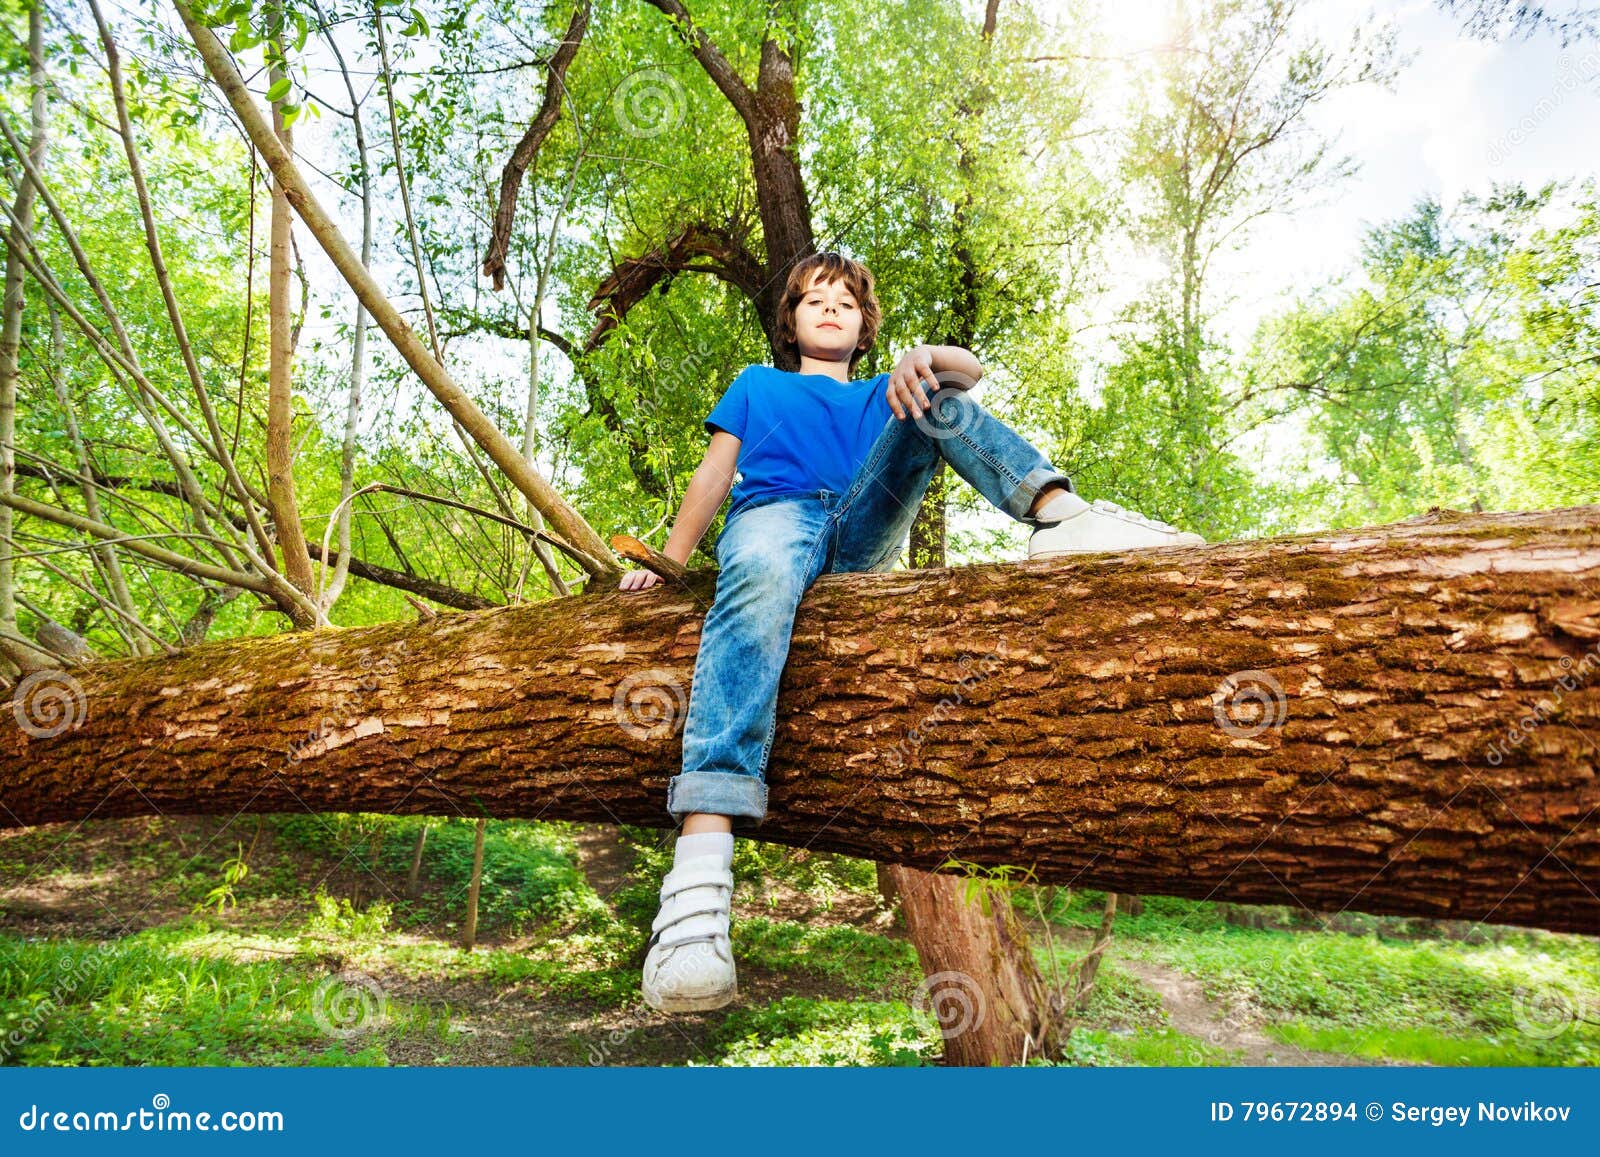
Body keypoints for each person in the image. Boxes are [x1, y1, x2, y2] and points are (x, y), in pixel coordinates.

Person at [616, 251, 1204, 1013]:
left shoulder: (880, 390)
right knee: (757, 573)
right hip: (775, 516)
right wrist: (668, 561)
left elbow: (970, 369)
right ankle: (698, 880)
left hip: (860, 519)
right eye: (814, 299)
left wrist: (919, 359)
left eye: (846, 303)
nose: (830, 308)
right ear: (790, 322)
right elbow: (714, 475)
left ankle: (1060, 515)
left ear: (863, 328)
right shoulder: (757, 386)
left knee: (937, 396)